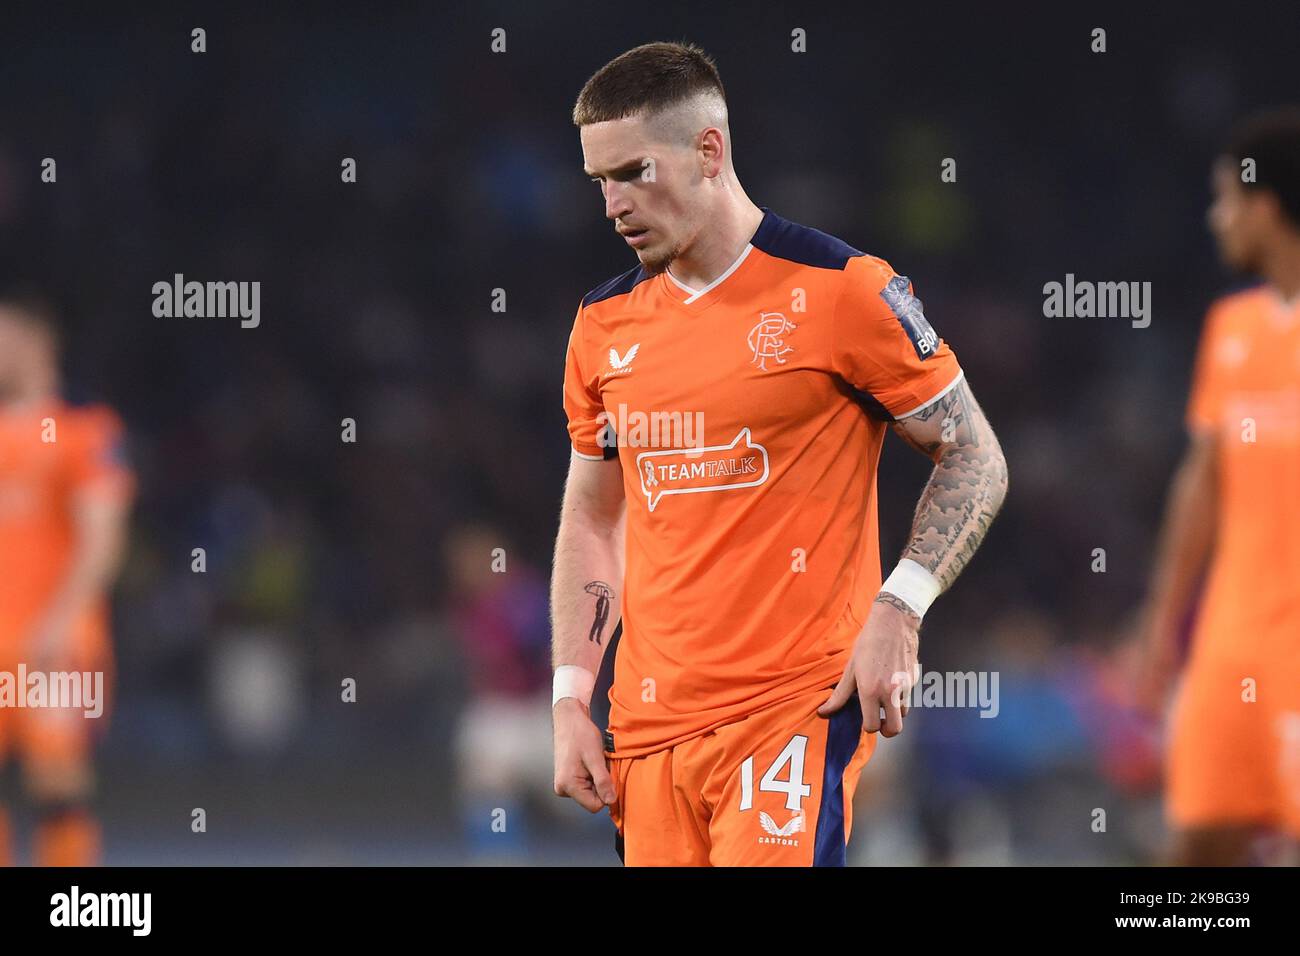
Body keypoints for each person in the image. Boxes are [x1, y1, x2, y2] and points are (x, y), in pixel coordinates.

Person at [549, 42, 1008, 866]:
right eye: (600, 182)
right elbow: (593, 512)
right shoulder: (602, 326)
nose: (613, 204)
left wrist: (900, 608)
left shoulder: (843, 291)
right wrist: (570, 698)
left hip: (792, 710)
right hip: (647, 729)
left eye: (633, 173)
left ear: (709, 151)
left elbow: (974, 454)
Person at [1135, 108, 1300, 866]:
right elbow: (1200, 487)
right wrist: (1160, 626)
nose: (1216, 216)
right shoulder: (1231, 329)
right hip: (1230, 646)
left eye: (1226, 198)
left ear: (1266, 206)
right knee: (1199, 842)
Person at [0, 293, 134, 866]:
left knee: (58, 786)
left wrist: (59, 621)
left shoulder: (85, 432)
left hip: (56, 644)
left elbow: (103, 540)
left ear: (37, 343)